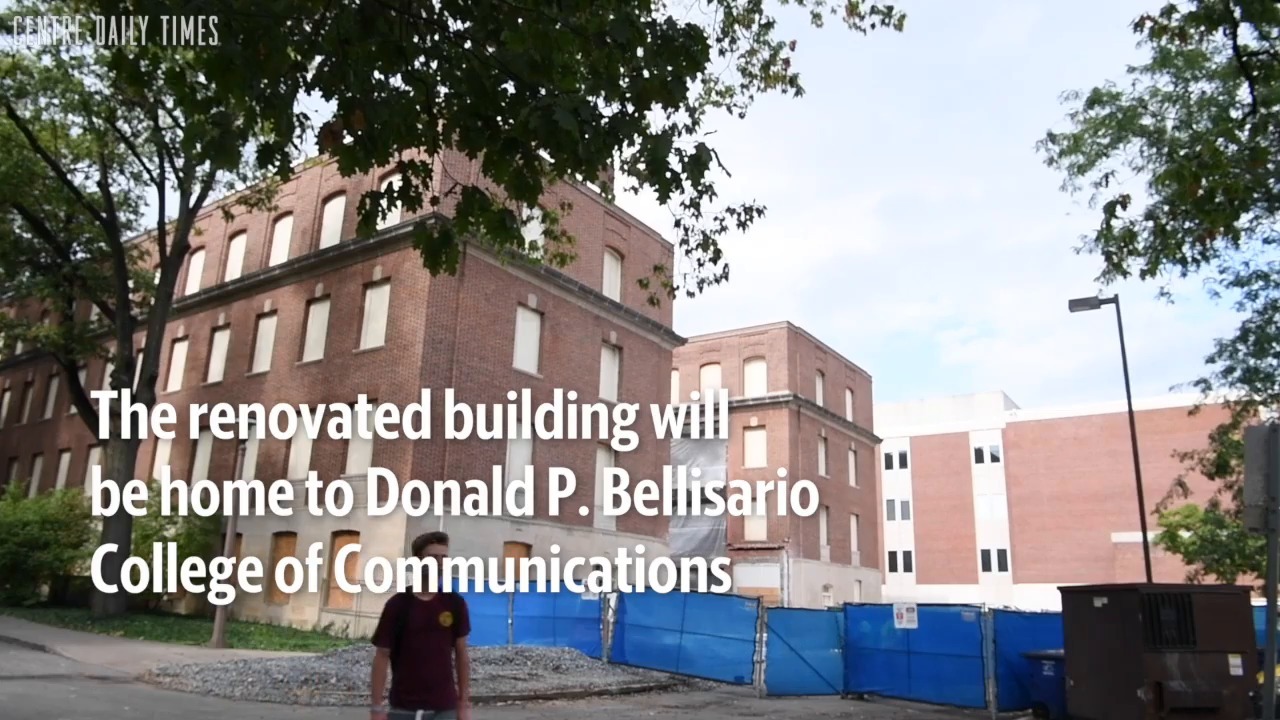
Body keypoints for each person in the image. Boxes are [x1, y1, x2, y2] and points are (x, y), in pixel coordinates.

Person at [370, 531, 471, 720]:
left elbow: (461, 654)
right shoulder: (397, 605)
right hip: (403, 708)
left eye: (443, 558)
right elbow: (382, 655)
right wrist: (376, 707)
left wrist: (463, 703)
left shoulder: (454, 603)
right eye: (432, 558)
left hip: (444, 709)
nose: (439, 563)